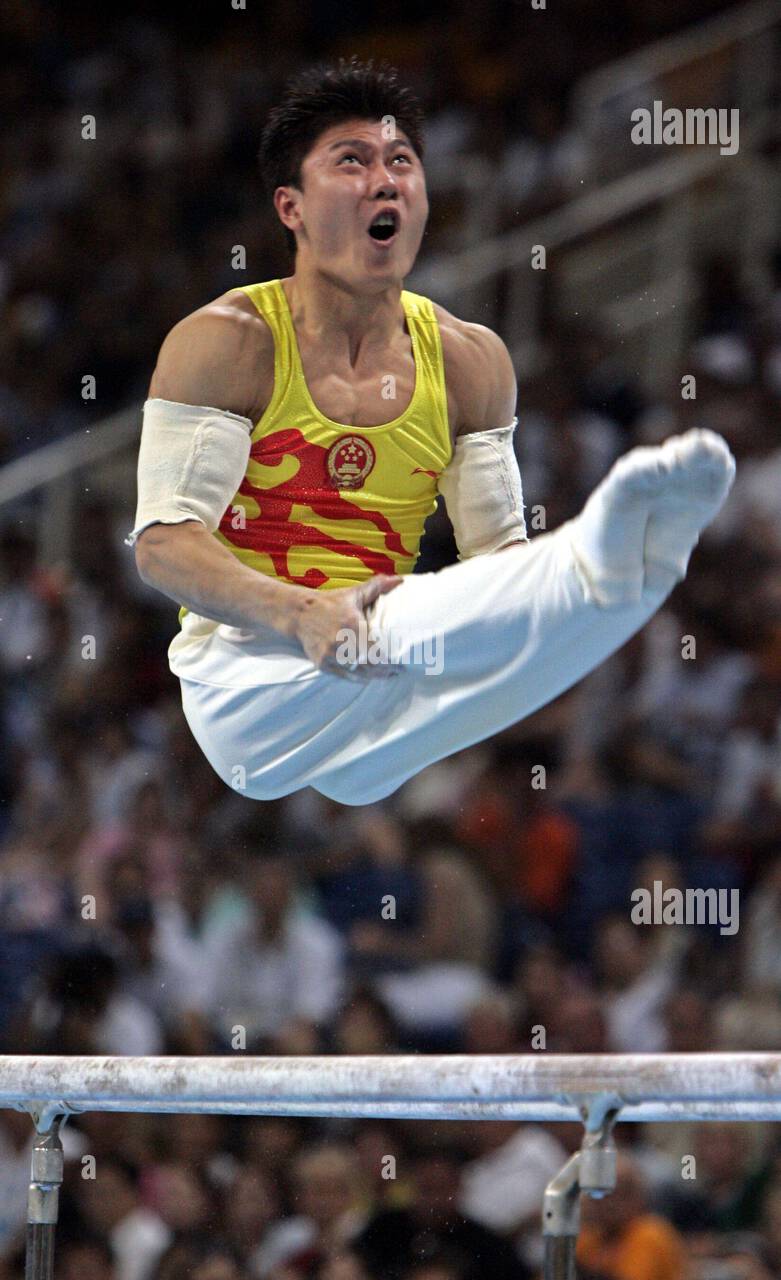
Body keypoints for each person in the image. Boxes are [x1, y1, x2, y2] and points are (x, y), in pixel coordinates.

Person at [128, 58, 735, 808]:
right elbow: (162, 543)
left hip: (382, 684)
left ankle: (624, 585)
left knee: (517, 632)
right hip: (248, 683)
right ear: (290, 206)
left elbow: (498, 563)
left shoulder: (470, 361)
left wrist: (532, 612)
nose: (384, 180)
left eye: (401, 162)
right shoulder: (229, 341)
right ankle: (597, 567)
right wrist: (302, 612)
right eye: (351, 162)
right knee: (413, 624)